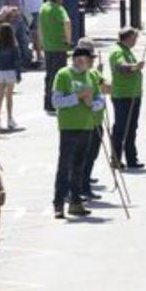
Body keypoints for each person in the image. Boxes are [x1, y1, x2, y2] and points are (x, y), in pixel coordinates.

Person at [51, 45, 103, 219]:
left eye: (89, 60)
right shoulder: (64, 75)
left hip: (87, 125)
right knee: (64, 166)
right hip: (69, 126)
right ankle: (58, 203)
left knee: (79, 167)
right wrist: (77, 97)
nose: (88, 63)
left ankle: (75, 202)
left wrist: (92, 104)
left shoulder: (90, 76)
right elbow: (56, 101)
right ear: (77, 59)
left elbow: (99, 99)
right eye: (86, 59)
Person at [108, 27, 144, 170]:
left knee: (131, 128)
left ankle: (131, 159)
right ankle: (116, 159)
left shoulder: (126, 51)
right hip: (123, 95)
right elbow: (121, 68)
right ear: (128, 38)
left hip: (133, 94)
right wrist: (135, 67)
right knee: (121, 128)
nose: (135, 41)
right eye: (134, 38)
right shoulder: (117, 51)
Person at [0, 23, 19, 132]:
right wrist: (18, 74)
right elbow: (17, 60)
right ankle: (10, 118)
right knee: (9, 96)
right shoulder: (13, 46)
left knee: (0, 95)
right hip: (10, 71)